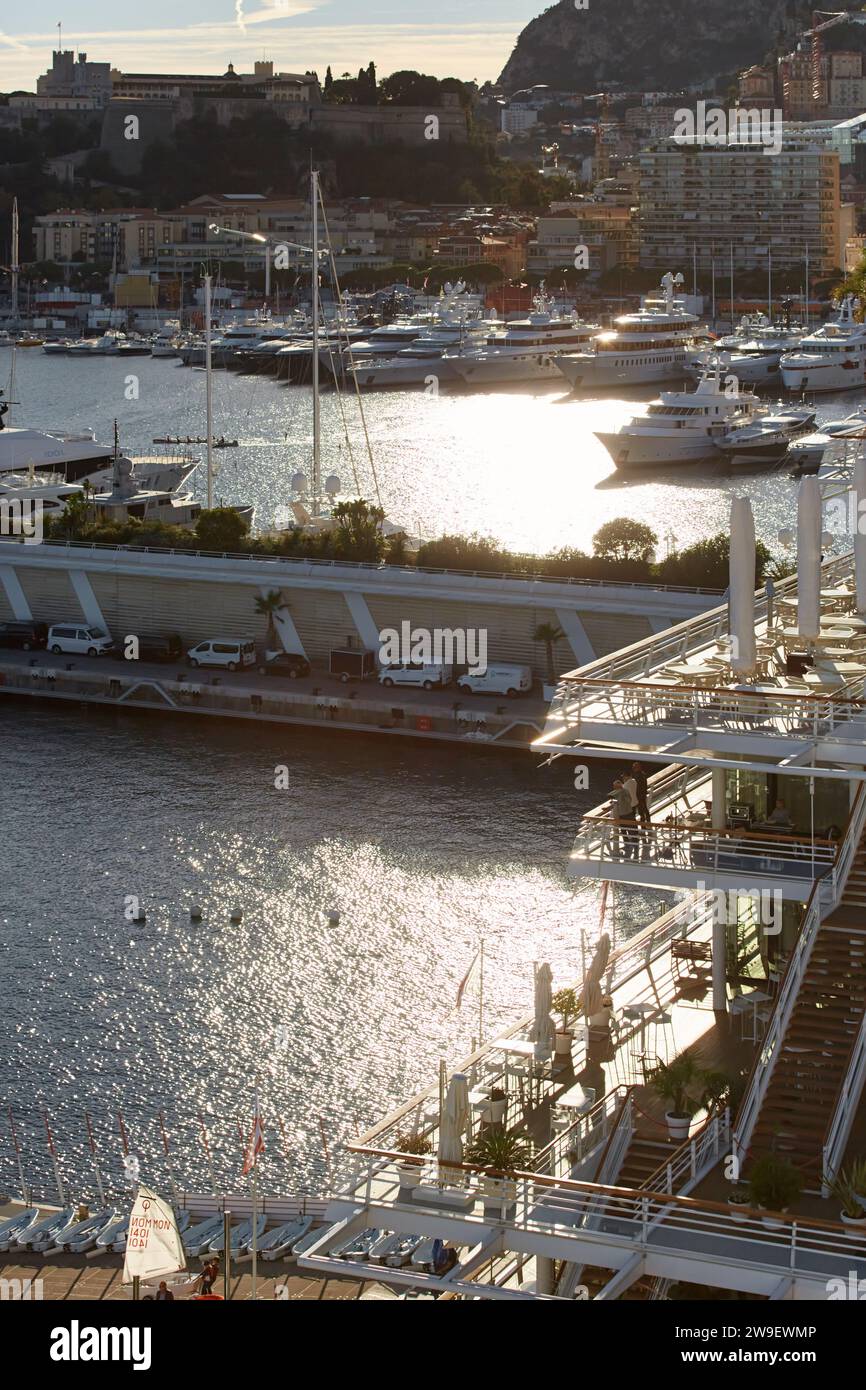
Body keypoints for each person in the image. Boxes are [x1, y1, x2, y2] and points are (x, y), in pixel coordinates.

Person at [631, 761, 651, 832]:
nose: (633, 768)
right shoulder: (641, 774)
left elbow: (639, 787)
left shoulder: (639, 775)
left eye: (635, 767)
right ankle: (647, 825)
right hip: (641, 796)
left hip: (639, 796)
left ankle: (643, 827)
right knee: (644, 810)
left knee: (641, 812)